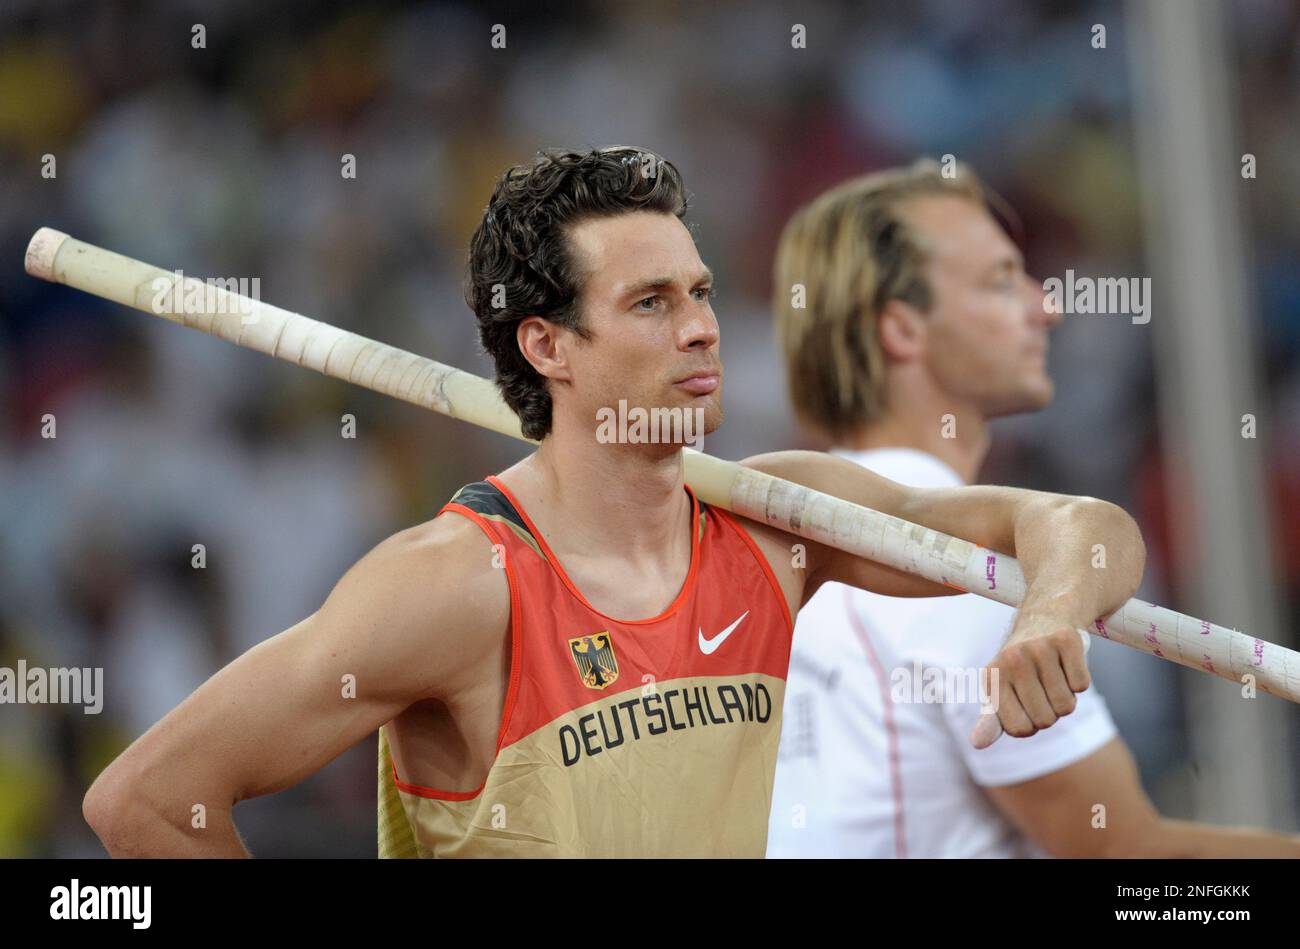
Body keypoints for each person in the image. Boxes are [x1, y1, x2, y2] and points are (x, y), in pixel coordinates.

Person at [83, 147, 1145, 858]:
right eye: (650, 302)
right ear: (548, 345)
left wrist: (1050, 610)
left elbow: (1077, 525)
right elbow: (142, 800)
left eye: (700, 292)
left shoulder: (780, 526)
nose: (700, 328)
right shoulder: (457, 584)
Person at [765, 158, 1300, 858]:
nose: (1046, 305)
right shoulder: (941, 568)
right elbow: (1129, 869)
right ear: (902, 329)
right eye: (999, 279)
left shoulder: (802, 538)